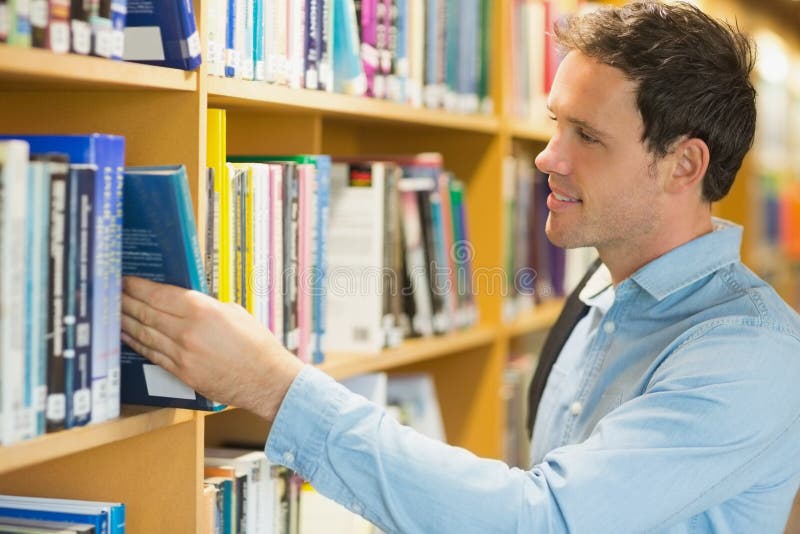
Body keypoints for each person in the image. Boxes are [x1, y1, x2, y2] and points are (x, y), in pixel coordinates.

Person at [121, 1, 800, 532]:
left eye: (586, 136)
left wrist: (273, 385)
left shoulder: (750, 355)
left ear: (684, 164)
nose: (546, 157)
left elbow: (544, 520)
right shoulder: (601, 293)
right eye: (555, 123)